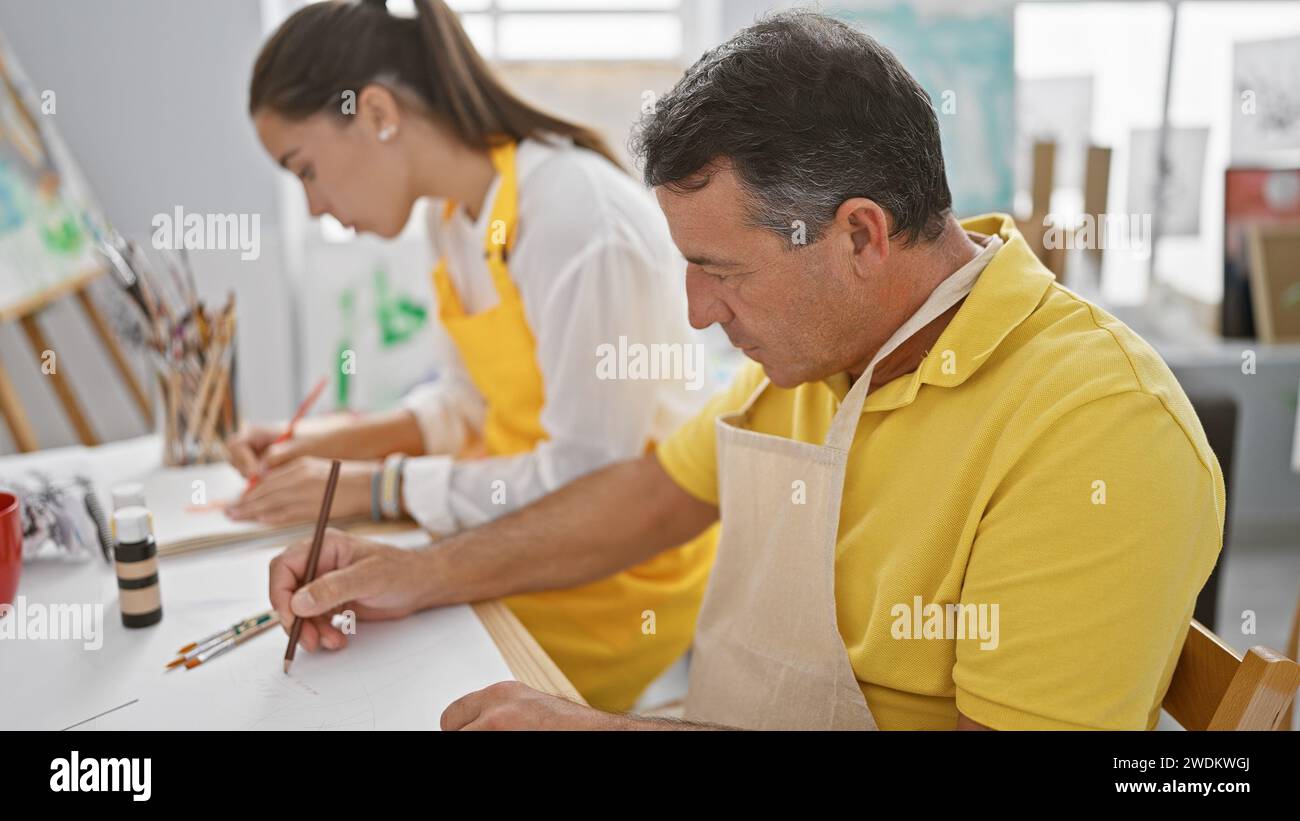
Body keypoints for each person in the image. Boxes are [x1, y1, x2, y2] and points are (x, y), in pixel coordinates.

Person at [269, 10, 1225, 730]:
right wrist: (416, 574)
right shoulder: (825, 349)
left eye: (721, 271)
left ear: (859, 236)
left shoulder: (1100, 432)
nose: (695, 311)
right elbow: (648, 496)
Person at [236, 0, 717, 712]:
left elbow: (585, 476)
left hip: (611, 573)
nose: (311, 208)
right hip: (515, 523)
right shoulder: (451, 216)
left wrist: (376, 485)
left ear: (376, 113)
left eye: (305, 169)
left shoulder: (575, 217)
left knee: (385, 686)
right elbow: (465, 403)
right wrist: (320, 445)